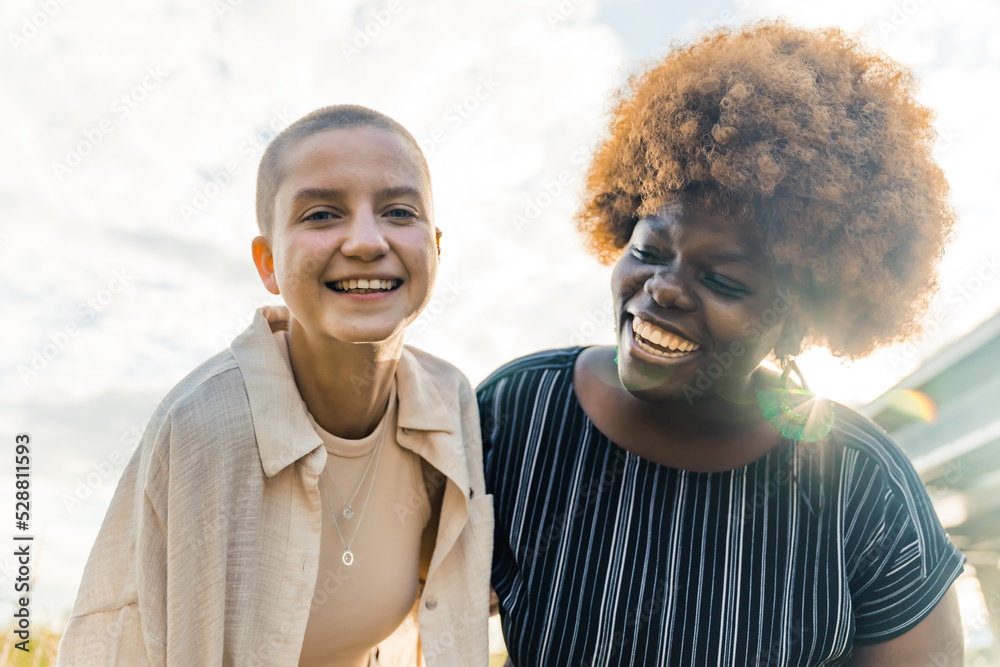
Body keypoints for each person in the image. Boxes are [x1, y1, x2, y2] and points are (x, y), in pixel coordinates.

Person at [479, 21, 965, 667]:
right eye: (649, 251)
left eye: (723, 279)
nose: (665, 289)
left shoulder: (858, 482)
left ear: (795, 321)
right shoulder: (519, 414)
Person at [57, 105, 493, 667]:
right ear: (267, 262)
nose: (365, 241)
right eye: (321, 215)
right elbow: (125, 639)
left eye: (399, 210)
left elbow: (452, 594)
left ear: (435, 245)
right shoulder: (206, 425)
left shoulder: (448, 400)